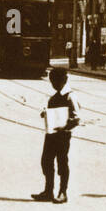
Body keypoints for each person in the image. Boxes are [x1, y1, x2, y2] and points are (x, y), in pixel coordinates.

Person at [34, 66, 80, 203]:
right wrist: (46, 114)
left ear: (64, 80)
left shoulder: (70, 96)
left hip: (63, 135)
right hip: (51, 134)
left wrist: (65, 126)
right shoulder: (54, 97)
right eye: (52, 82)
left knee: (62, 163)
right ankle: (48, 191)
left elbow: (77, 119)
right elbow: (51, 112)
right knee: (46, 161)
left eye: (56, 82)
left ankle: (62, 192)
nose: (54, 85)